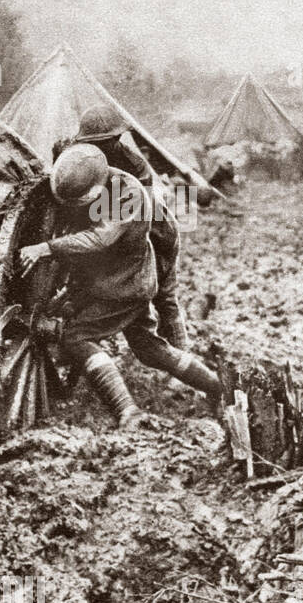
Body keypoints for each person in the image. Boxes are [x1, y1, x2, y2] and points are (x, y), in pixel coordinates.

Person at [18, 144, 221, 428]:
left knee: (75, 336)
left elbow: (99, 239)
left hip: (124, 287)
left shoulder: (127, 193)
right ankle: (219, 388)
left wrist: (46, 248)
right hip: (117, 282)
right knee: (149, 348)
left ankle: (128, 411)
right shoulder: (89, 179)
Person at [56, 104, 190, 349]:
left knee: (165, 297)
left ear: (116, 138)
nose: (99, 147)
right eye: (92, 141)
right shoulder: (83, 155)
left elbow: (137, 220)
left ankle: (182, 351)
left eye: (104, 141)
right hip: (113, 227)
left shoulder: (135, 167)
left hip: (154, 233)